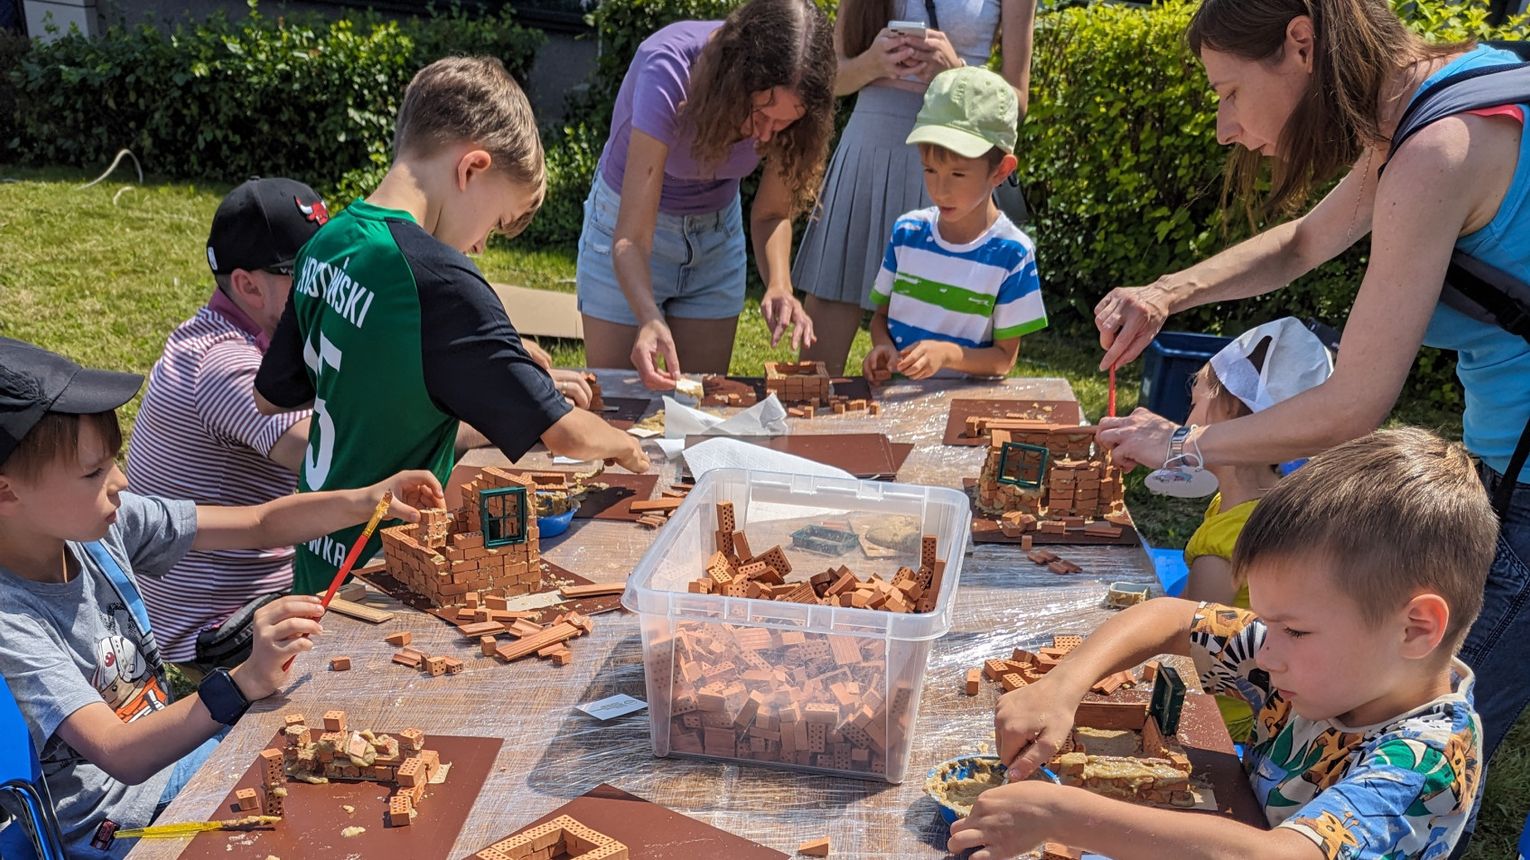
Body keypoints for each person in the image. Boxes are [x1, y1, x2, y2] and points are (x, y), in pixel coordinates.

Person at [1089, 0, 1530, 767]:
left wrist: (1187, 443)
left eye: (1229, 92)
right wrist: (1167, 290)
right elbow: (1300, 244)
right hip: (1506, 462)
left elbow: (1354, 403)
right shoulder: (1430, 104)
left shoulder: (1435, 150)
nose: (1226, 126)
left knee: (1400, 753)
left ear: (1300, 43)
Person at [954, 428, 1494, 860]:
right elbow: (1168, 617)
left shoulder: (1427, 759)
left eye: (1294, 630)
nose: (1264, 651)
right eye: (1267, 623)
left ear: (1416, 628)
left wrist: (1064, 815)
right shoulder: (1332, 662)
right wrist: (1062, 685)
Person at [0, 338, 444, 859]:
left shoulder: (97, 524)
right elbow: (120, 754)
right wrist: (242, 682)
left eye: (113, 461)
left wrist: (367, 498)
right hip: (119, 827)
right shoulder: (13, 618)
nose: (120, 481)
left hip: (178, 761)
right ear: (7, 492)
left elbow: (260, 524)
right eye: (93, 472)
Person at [255, 56, 650, 598]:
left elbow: (273, 397)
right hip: (388, 570)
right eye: (497, 221)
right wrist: (626, 446)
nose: (483, 243)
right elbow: (565, 432)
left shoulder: (327, 242)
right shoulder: (439, 279)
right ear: (471, 169)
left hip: (318, 554)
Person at [575, 0, 834, 389]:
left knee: (698, 405)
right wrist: (649, 316)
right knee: (618, 406)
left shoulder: (786, 109)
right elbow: (631, 238)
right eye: (759, 115)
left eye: (783, 124)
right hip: (629, 233)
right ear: (733, 79)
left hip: (715, 241)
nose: (766, 135)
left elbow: (771, 215)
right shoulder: (668, 70)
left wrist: (780, 283)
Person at [125, 178, 322, 677]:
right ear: (248, 285)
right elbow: (331, 451)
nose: (326, 287)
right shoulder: (223, 362)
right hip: (216, 629)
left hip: (250, 592)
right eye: (308, 273)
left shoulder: (264, 337)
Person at [794, 0, 1039, 375]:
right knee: (816, 366)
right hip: (868, 148)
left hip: (953, 156)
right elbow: (832, 78)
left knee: (933, 344)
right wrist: (872, 63)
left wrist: (956, 73)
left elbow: (1016, 102)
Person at [1175, 317, 1333, 741]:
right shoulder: (1278, 501)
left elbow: (1189, 643)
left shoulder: (1222, 543)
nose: (1186, 417)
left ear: (1230, 411)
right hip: (1270, 702)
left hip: (1224, 719)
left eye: (1194, 403)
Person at [861, 67, 1046, 383]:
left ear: (1001, 171)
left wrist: (947, 354)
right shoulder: (907, 233)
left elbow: (1003, 360)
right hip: (895, 402)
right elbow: (880, 318)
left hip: (963, 418)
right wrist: (883, 347)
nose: (939, 190)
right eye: (929, 170)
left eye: (957, 174)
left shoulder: (1012, 253)